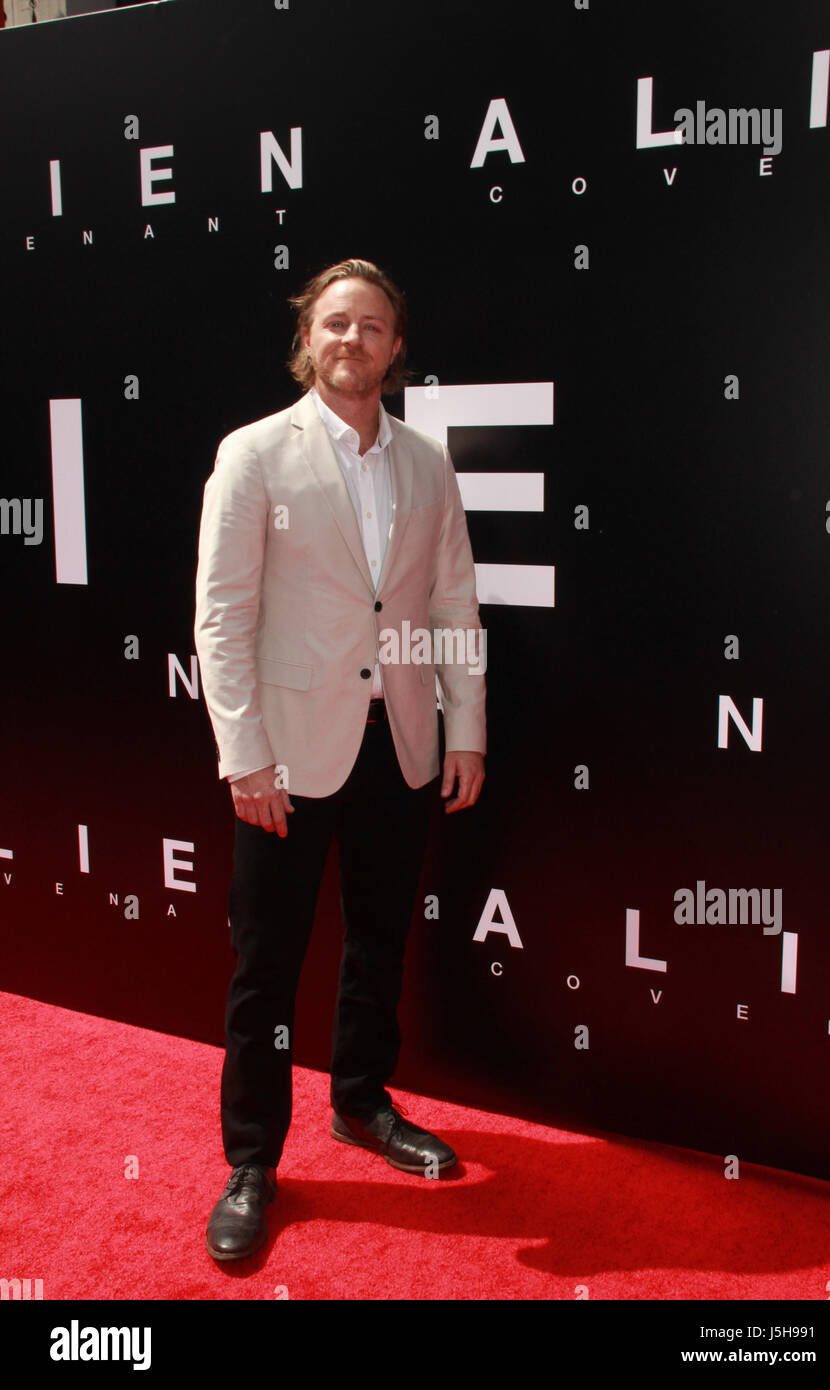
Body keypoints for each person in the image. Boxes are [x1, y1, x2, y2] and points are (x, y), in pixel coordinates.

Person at [194, 258, 486, 1261]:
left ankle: (360, 1102)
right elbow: (222, 620)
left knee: (377, 943)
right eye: (333, 323)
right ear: (305, 337)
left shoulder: (426, 465)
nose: (350, 340)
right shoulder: (253, 457)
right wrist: (245, 757)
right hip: (285, 755)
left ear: (395, 347)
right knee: (264, 966)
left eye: (370, 326)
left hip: (394, 745)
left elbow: (450, 603)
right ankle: (250, 1162)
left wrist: (466, 727)